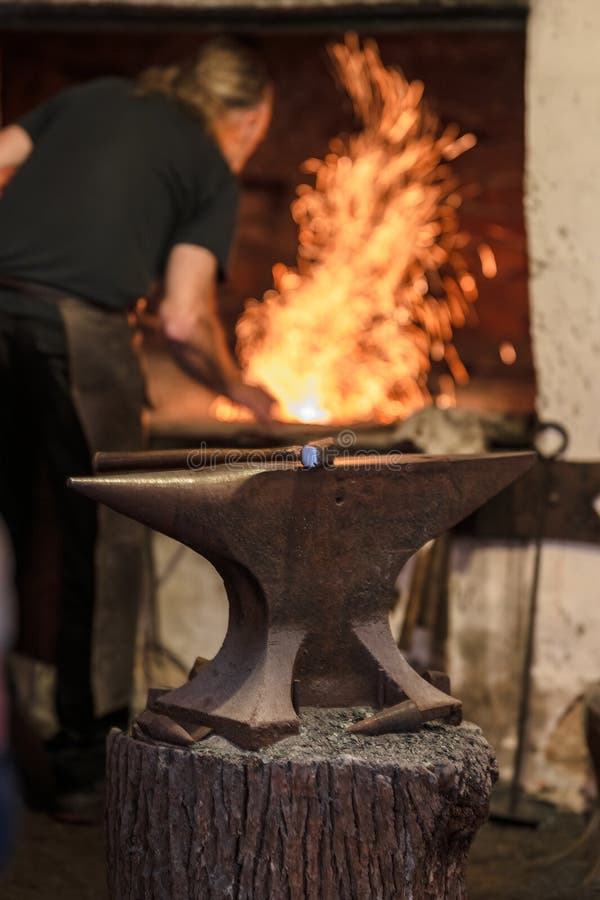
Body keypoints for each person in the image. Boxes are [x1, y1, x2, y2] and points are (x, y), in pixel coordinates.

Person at [0, 36, 274, 809]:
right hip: (76, 334)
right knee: (108, 533)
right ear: (246, 119)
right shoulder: (211, 169)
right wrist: (239, 389)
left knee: (15, 521)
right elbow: (184, 323)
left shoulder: (91, 95)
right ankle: (83, 757)